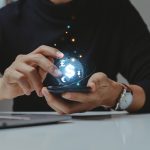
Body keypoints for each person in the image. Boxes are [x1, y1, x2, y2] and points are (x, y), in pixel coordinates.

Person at [0, 0, 150, 114]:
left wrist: (116, 95)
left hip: (101, 137)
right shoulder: (6, 20)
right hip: (27, 140)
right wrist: (4, 88)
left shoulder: (116, 9)